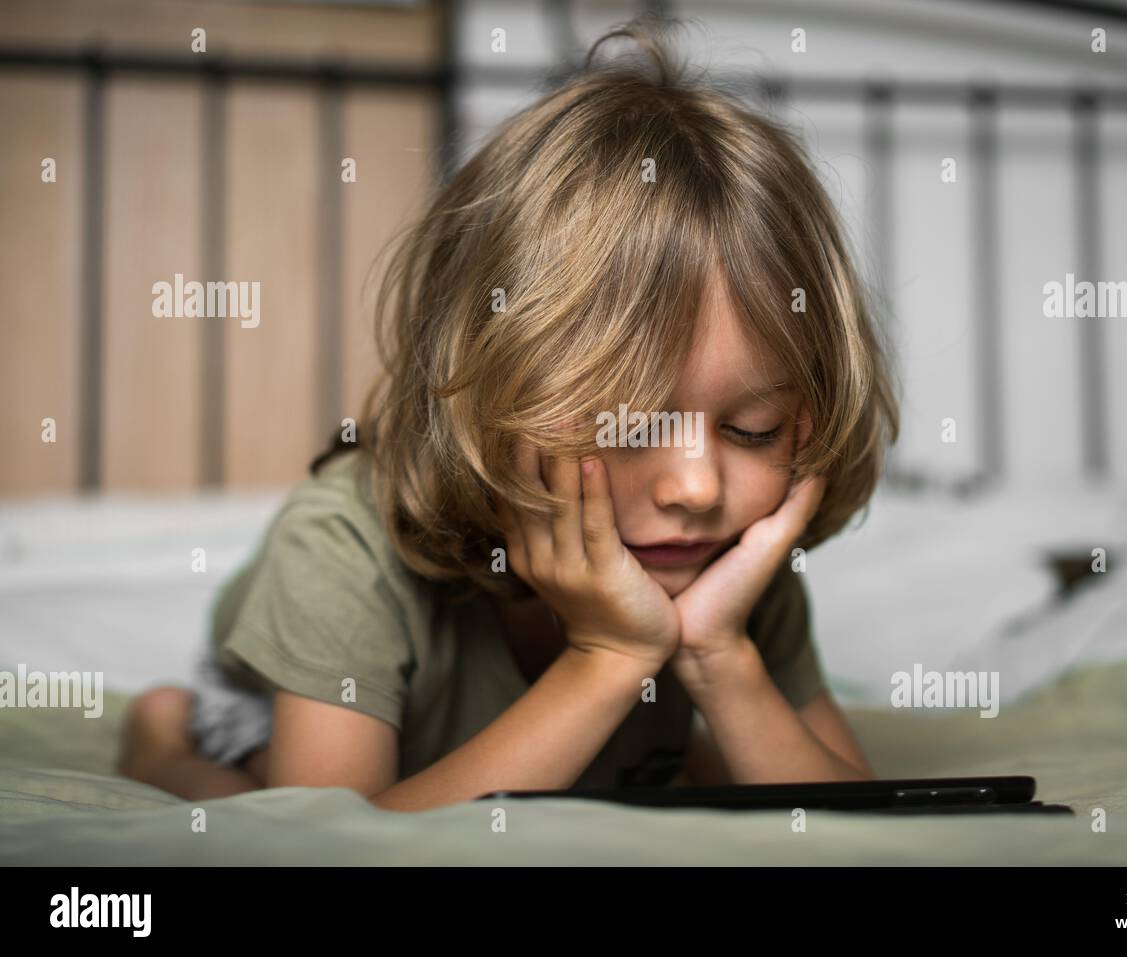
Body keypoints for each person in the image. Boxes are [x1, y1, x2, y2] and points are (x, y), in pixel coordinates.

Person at [118, 15, 899, 812]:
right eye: (631, 424)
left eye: (751, 430)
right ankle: (159, 744)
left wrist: (718, 654)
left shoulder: (730, 557)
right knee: (238, 806)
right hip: (278, 711)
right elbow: (330, 838)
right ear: (495, 392)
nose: (697, 487)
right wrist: (609, 655)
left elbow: (854, 821)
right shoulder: (341, 545)